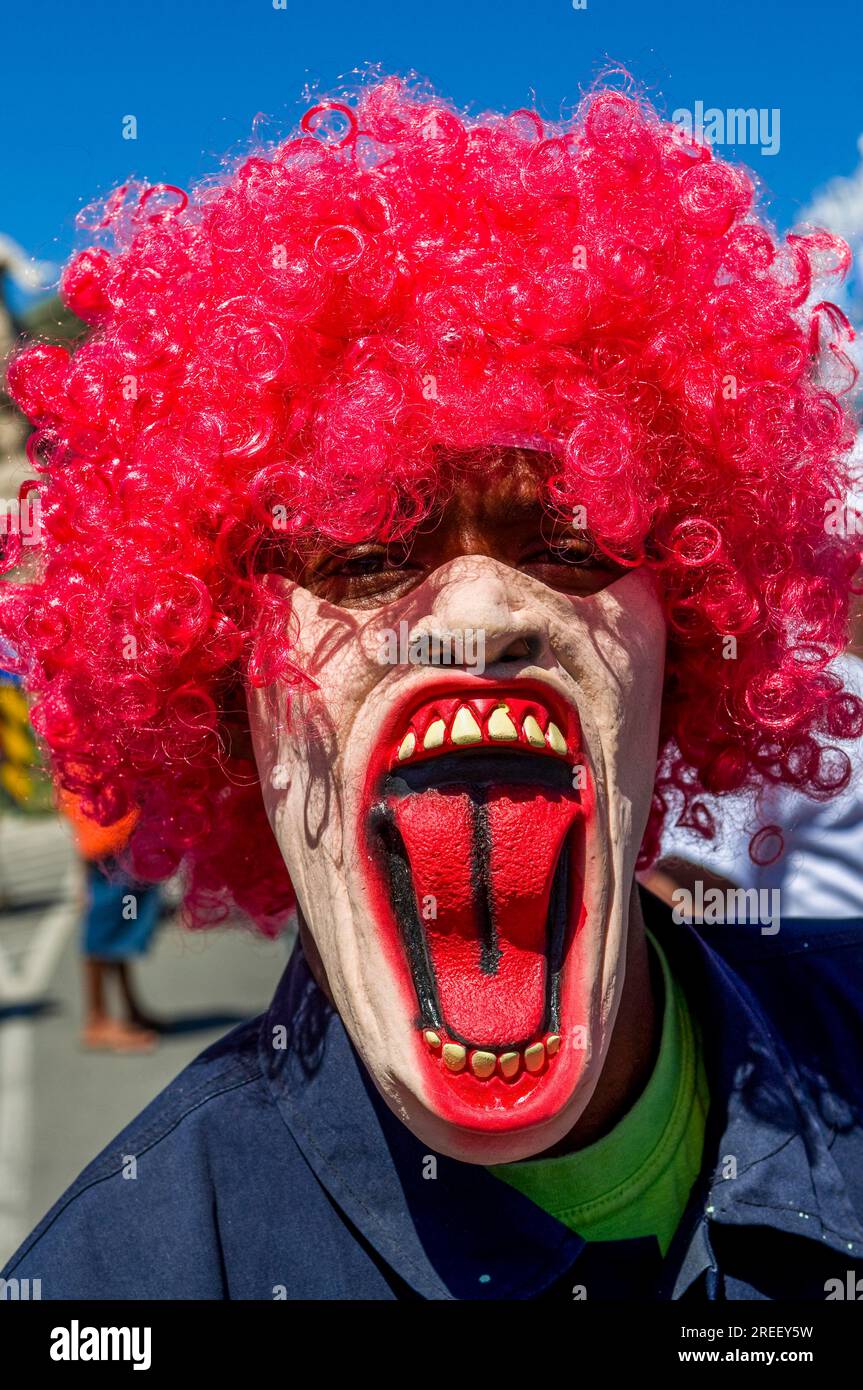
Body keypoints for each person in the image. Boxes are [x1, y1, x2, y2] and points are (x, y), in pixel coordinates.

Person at [1, 77, 862, 1300]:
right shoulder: (120, 1280)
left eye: (568, 540)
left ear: (688, 643)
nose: (476, 617)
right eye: (358, 556)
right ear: (225, 686)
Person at [59, 790, 162, 1052]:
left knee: (120, 928)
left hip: (116, 823)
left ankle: (129, 1007)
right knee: (104, 924)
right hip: (107, 826)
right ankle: (97, 1019)